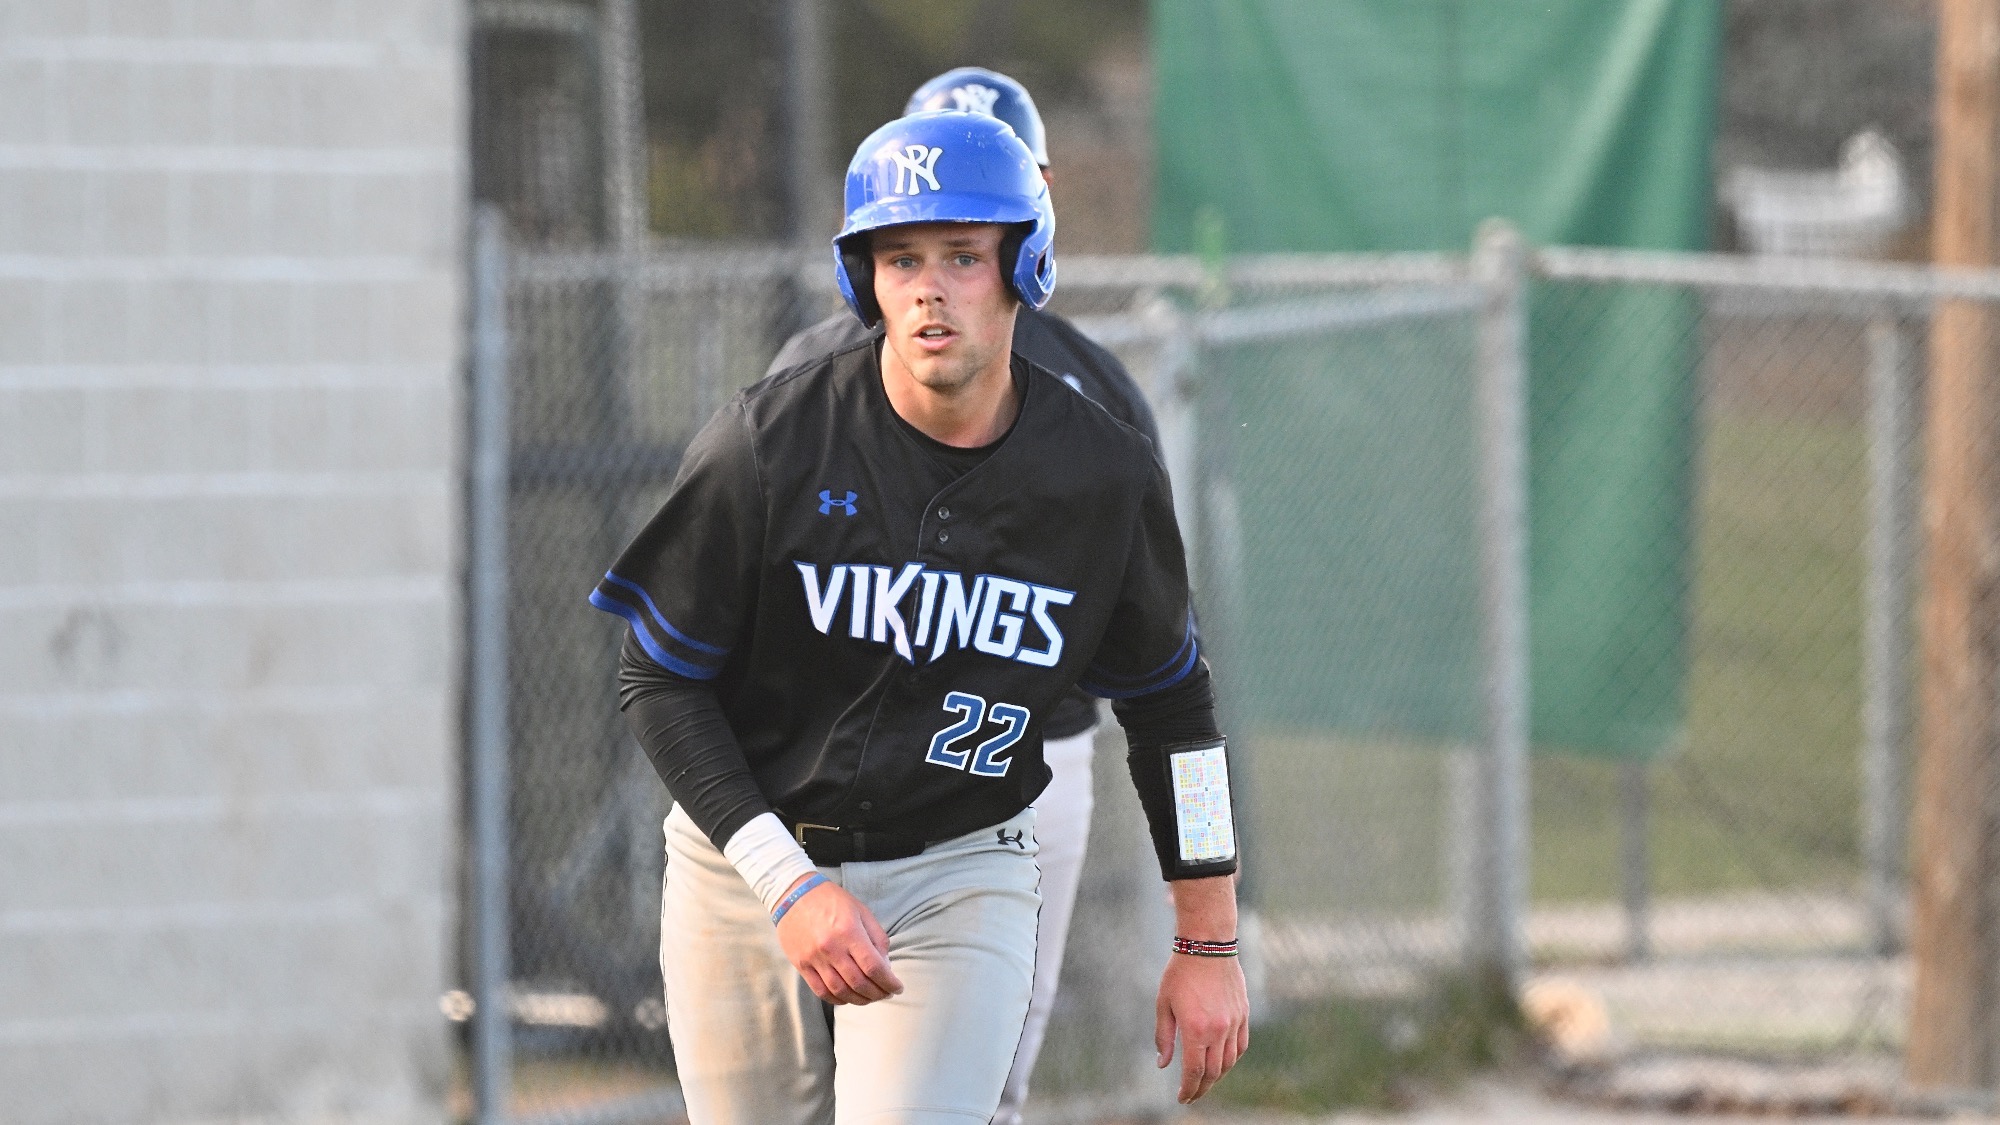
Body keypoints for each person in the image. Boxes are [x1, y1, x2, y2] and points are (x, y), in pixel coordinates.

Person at [592, 110, 1246, 1125]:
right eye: (900, 258)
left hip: (958, 868)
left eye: (962, 255)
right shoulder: (769, 442)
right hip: (745, 865)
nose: (930, 287)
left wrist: (1207, 941)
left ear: (1025, 266)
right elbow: (657, 677)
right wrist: (786, 883)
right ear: (865, 281)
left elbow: (1176, 718)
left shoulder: (1101, 473)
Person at [765, 70, 1162, 1122]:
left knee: (988, 1063)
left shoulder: (1090, 397)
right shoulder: (809, 381)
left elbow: (1171, 675)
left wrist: (1210, 921)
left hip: (1028, 764)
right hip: (838, 759)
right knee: (814, 1067)